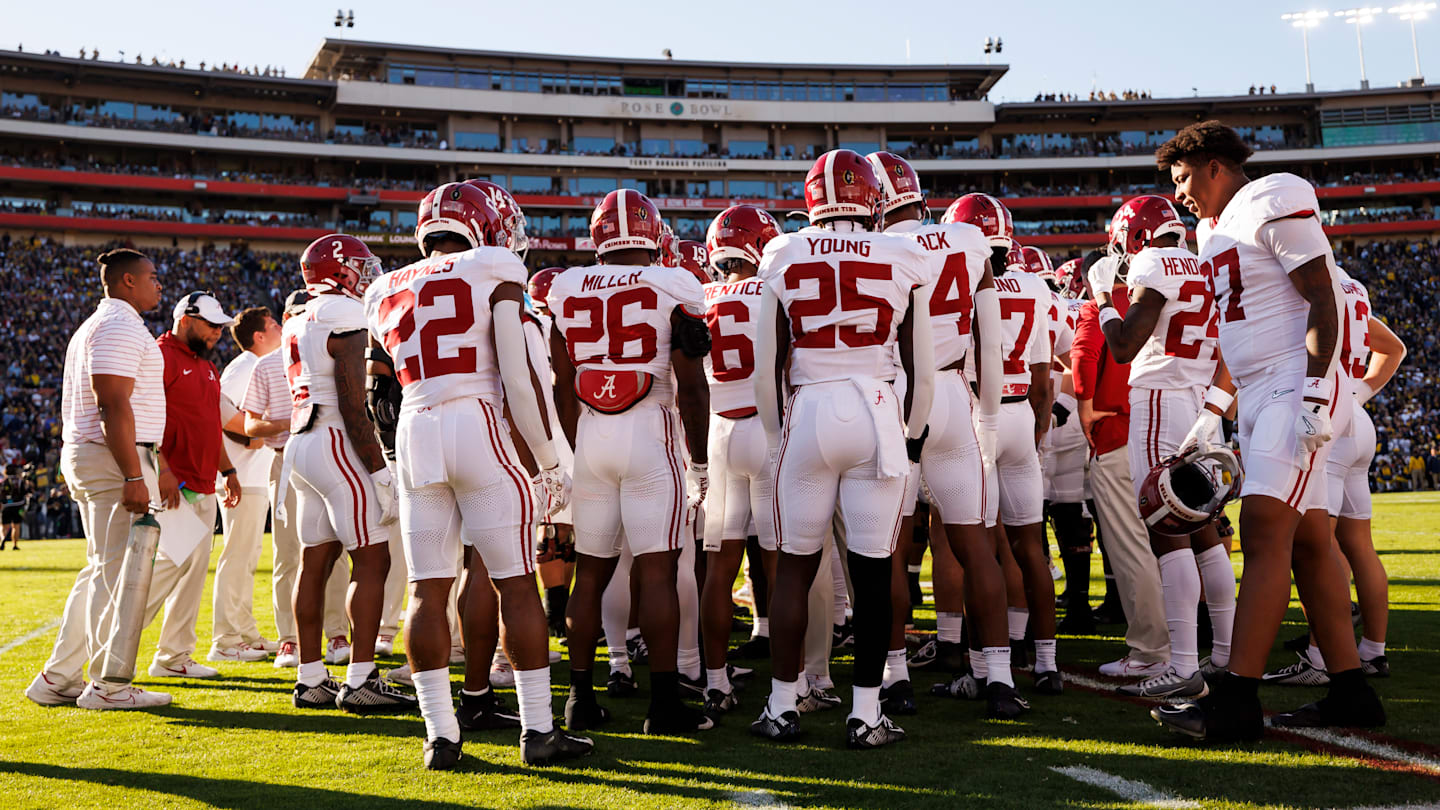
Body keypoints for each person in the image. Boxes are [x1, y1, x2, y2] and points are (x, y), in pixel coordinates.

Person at [1151, 120, 1384, 740]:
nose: (1180, 194)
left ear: (1213, 165)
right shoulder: (1211, 230)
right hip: (1257, 390)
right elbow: (1240, 327)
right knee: (1308, 544)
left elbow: (1320, 298)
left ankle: (1235, 704)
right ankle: (1352, 691)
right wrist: (1214, 407)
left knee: (1262, 532)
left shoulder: (1270, 194)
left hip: (1294, 380)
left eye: (1183, 178)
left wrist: (1313, 392)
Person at [364, 181, 589, 769]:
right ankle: (539, 730)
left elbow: (381, 388)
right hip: (479, 422)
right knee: (516, 582)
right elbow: (518, 373)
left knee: (426, 588)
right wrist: (551, 459)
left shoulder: (384, 287)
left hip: (415, 430)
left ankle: (441, 736)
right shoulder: (495, 265)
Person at [750, 149, 933, 748]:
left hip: (807, 407)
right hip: (875, 410)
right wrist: (909, 435)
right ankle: (865, 713)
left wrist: (782, 438)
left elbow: (763, 368)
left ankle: (781, 705)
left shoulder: (782, 252)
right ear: (872, 197)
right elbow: (921, 370)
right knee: (873, 573)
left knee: (794, 570)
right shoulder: (901, 251)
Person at [549, 189, 713, 736]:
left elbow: (562, 384)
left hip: (593, 434)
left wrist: (576, 450)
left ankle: (578, 699)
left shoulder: (566, 287)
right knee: (658, 571)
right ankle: (664, 705)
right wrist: (701, 462)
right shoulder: (674, 283)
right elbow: (690, 386)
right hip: (651, 430)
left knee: (590, 575)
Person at [871, 171, 1022, 720]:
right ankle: (999, 678)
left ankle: (895, 676)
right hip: (958, 393)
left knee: (886, 548)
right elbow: (989, 339)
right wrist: (986, 419)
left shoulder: (879, 247)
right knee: (976, 544)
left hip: (899, 397)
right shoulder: (966, 239)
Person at [1087, 196, 1235, 699]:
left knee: (1166, 529)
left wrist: (1104, 297)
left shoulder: (1152, 262)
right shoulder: (1206, 263)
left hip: (1159, 399)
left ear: (1134, 235)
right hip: (1198, 403)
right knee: (1205, 532)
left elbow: (1124, 346)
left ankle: (1180, 664)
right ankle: (1225, 656)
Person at [27, 248, 171, 710]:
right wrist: (133, 473)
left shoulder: (104, 323)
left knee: (99, 571)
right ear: (127, 281)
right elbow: (112, 402)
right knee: (117, 574)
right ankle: (107, 685)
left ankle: (58, 677)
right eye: (151, 277)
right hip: (113, 460)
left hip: (96, 456)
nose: (158, 284)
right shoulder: (119, 325)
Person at [282, 234, 416, 716]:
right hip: (337, 442)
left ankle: (311, 678)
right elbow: (351, 402)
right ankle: (360, 679)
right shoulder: (344, 314)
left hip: (302, 444)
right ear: (339, 271)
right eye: (360, 266)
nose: (368, 273)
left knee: (314, 561)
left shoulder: (297, 316)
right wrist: (378, 469)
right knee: (373, 560)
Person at [696, 204, 782, 719]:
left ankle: (714, 680)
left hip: (719, 431)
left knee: (719, 569)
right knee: (779, 563)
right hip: (768, 429)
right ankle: (791, 684)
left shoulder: (698, 295)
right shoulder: (773, 291)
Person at [1072, 254, 1171, 678]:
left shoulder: (1101, 304)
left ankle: (1151, 650)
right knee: (1176, 547)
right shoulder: (1162, 297)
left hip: (1117, 437)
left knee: (1131, 549)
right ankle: (1195, 644)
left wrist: (1086, 410)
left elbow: (1082, 363)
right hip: (1161, 431)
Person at [241, 290, 351, 669]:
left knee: (337, 551)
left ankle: (337, 633)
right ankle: (289, 639)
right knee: (288, 553)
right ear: (288, 317)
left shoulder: (336, 353)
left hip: (333, 453)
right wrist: (293, 422)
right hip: (285, 457)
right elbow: (250, 424)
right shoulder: (268, 364)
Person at [143, 292, 244, 680]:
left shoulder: (206, 367)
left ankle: (174, 657)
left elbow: (209, 427)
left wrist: (229, 471)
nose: (218, 332)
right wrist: (162, 469)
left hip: (203, 484)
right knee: (163, 572)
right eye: (211, 324)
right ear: (185, 319)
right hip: (175, 483)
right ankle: (113, 646)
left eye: (221, 326)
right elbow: (143, 419)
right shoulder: (160, 357)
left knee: (191, 574)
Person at [210, 306, 283, 663]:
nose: (280, 328)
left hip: (251, 474)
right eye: (274, 325)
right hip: (240, 474)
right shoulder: (246, 366)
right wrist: (250, 439)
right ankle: (225, 640)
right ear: (259, 335)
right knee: (238, 556)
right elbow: (220, 411)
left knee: (247, 556)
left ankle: (245, 633)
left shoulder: (252, 365)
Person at [1, 465, 29, 550]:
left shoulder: (3, 481)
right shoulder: (19, 481)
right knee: (16, 526)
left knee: (4, 526)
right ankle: (15, 545)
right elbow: (24, 492)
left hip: (6, 506)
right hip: (17, 505)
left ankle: (3, 540)